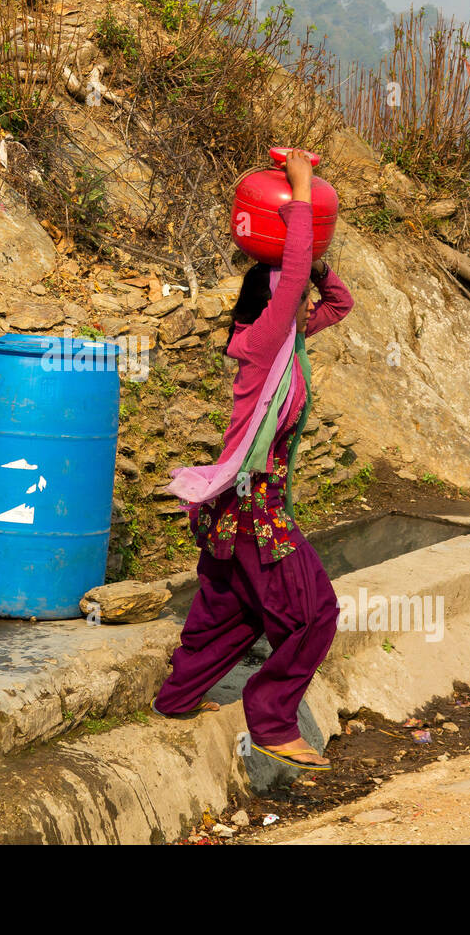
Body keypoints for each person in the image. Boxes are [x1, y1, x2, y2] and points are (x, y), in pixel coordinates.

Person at [152, 149, 354, 770]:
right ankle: (271, 723)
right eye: (289, 298)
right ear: (269, 307)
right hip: (253, 509)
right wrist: (298, 195)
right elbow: (290, 280)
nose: (301, 308)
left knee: (231, 610)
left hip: (234, 510)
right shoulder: (266, 343)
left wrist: (316, 253)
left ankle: (178, 697)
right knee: (314, 614)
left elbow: (338, 303)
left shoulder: (285, 338)